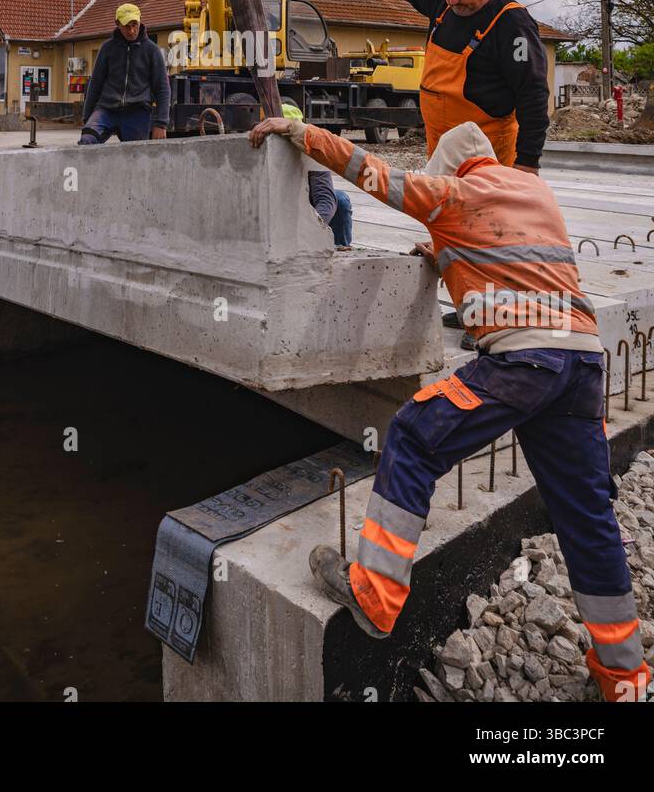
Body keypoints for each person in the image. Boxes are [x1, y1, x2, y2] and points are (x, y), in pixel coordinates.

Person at [248, 114, 650, 703]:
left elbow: (373, 174)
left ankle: (376, 595)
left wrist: (301, 132)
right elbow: (502, 248)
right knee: (587, 517)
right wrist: (442, 249)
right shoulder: (533, 191)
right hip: (583, 364)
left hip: (523, 360)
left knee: (414, 434)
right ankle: (624, 676)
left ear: (451, 169)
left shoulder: (453, 193)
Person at [337, 0, 549, 174]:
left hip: (489, 152)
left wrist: (528, 161)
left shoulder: (512, 23)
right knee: (445, 209)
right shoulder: (441, 1)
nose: (451, 0)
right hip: (441, 149)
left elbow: (533, 93)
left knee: (484, 210)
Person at [80, 4, 170, 144]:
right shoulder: (107, 48)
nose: (132, 30)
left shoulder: (152, 51)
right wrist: (87, 117)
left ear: (140, 21)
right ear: (118, 24)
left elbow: (162, 88)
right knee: (87, 139)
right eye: (126, 26)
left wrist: (161, 123)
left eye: (135, 24)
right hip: (107, 109)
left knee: (136, 155)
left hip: (137, 112)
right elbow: (96, 83)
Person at [281, 103, 352, 248]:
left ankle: (339, 248)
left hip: (305, 203)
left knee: (340, 200)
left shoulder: (311, 150)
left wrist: (309, 233)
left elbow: (326, 200)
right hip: (279, 205)